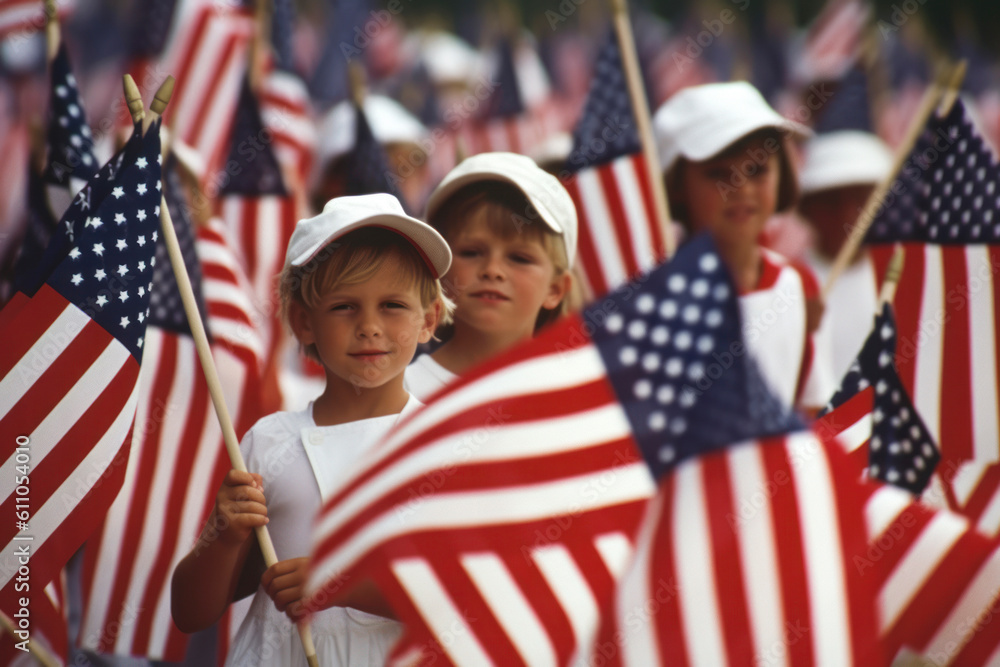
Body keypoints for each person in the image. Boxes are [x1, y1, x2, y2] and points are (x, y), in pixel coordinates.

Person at [171, 193, 452, 666]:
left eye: (392, 306)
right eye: (344, 307)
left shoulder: (444, 442)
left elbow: (462, 594)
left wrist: (339, 584)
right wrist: (224, 536)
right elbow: (191, 612)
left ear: (428, 319)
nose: (369, 326)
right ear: (304, 322)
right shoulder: (270, 441)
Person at [652, 81, 835, 413]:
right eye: (718, 173)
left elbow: (811, 403)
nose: (742, 189)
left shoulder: (797, 283)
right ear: (676, 185)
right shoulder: (654, 292)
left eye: (757, 170)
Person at [403, 152, 576, 401]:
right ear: (436, 271)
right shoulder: (397, 394)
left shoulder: (576, 394)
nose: (492, 270)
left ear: (555, 289)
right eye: (471, 252)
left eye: (520, 258)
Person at [797, 129, 894, 381]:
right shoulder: (790, 283)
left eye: (861, 199)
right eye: (831, 201)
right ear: (806, 208)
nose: (847, 215)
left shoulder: (900, 278)